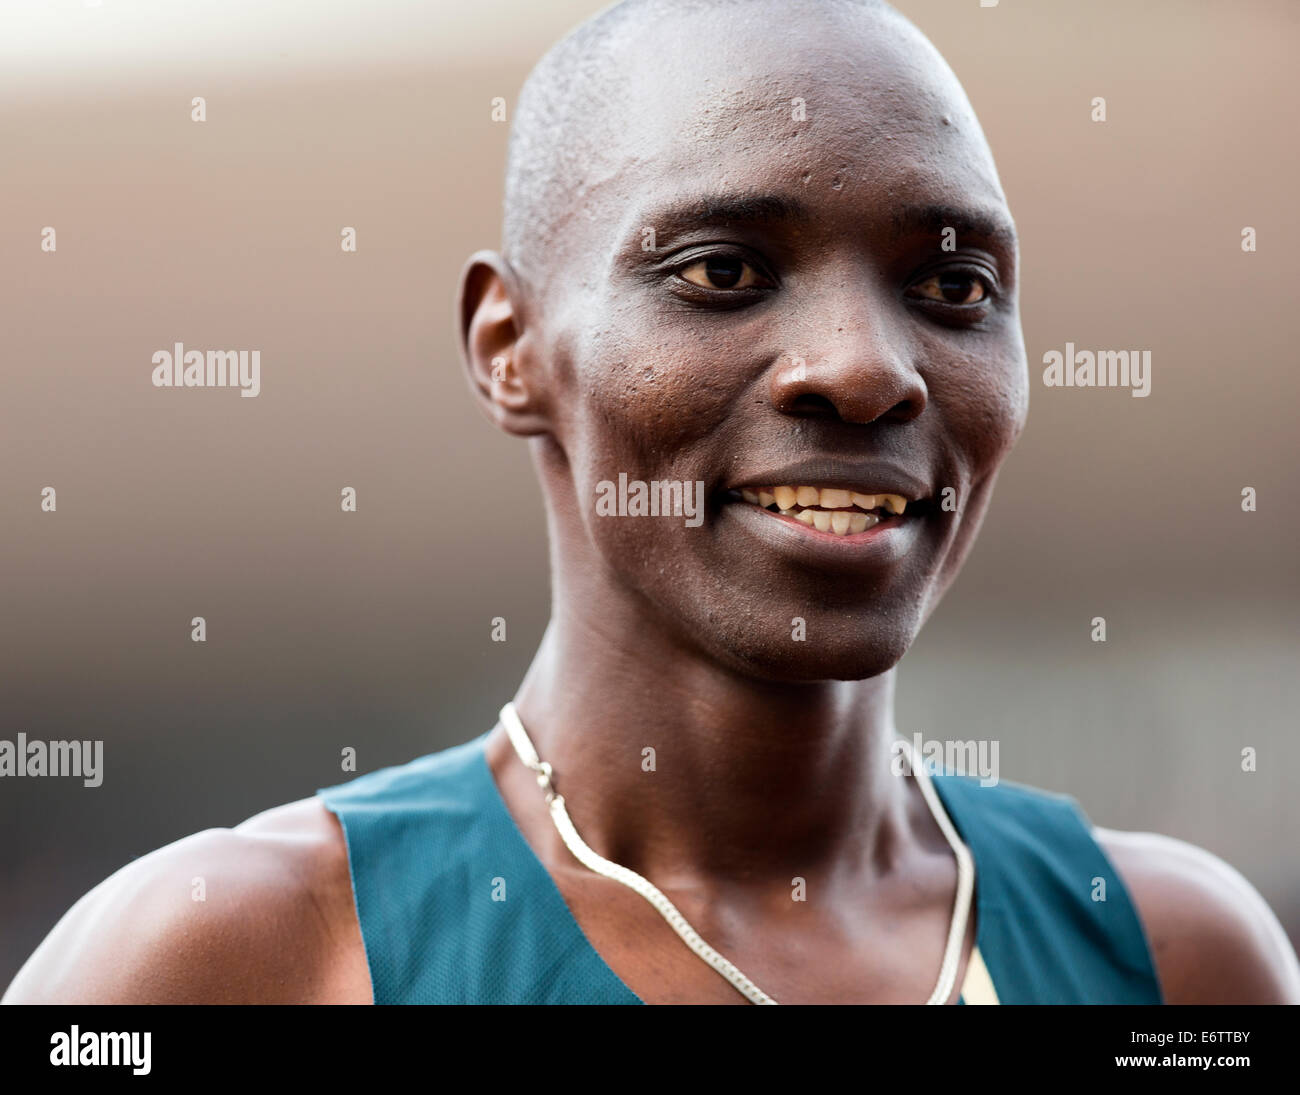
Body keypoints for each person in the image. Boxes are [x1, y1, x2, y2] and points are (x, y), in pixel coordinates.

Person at [6, 0, 1298, 1005]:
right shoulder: (236, 963)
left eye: (952, 287)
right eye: (724, 270)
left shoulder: (1171, 961)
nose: (861, 368)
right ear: (508, 347)